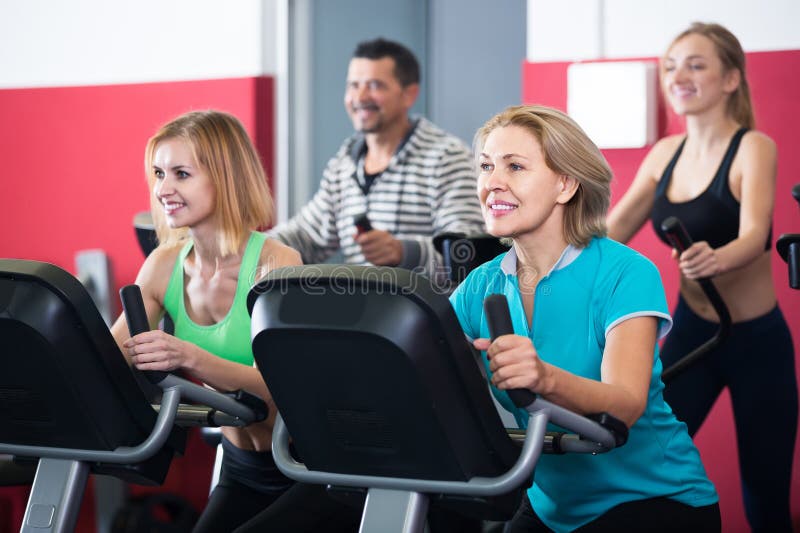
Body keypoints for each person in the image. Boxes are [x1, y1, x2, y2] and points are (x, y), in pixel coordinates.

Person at [449, 104, 720, 532]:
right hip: (551, 506)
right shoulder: (479, 287)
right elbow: (423, 369)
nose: (492, 183)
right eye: (486, 166)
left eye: (515, 166)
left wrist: (543, 377)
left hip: (652, 499)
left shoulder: (624, 273)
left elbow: (626, 404)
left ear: (565, 184)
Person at [606, 22, 797, 532]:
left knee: (765, 492)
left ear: (731, 78)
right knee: (643, 459)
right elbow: (615, 228)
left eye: (695, 64)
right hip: (694, 334)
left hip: (756, 339)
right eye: (671, 66)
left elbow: (756, 235)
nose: (678, 75)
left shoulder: (754, 147)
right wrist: (547, 245)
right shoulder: (665, 154)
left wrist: (719, 257)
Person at [110, 110, 304, 532]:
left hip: (306, 467)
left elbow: (275, 385)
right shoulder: (163, 265)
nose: (164, 189)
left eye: (181, 173)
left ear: (226, 177)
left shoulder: (276, 263)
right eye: (159, 173)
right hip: (242, 467)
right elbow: (109, 360)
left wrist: (188, 356)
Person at [266, 37, 484, 283]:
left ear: (409, 95)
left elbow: (467, 255)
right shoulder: (345, 163)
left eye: (374, 85)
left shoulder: (447, 157)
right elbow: (306, 235)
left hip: (428, 317)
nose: (360, 96)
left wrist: (404, 252)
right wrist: (253, 247)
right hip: (361, 315)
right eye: (353, 85)